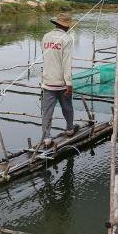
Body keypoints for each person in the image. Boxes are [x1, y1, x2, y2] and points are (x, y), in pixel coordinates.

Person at [40, 13, 78, 147]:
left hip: (48, 81)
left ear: (56, 24)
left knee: (47, 111)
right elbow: (66, 63)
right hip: (61, 82)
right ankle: (69, 129)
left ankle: (47, 138)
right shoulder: (67, 39)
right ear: (66, 26)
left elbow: (46, 57)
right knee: (67, 107)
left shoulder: (46, 37)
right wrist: (69, 83)